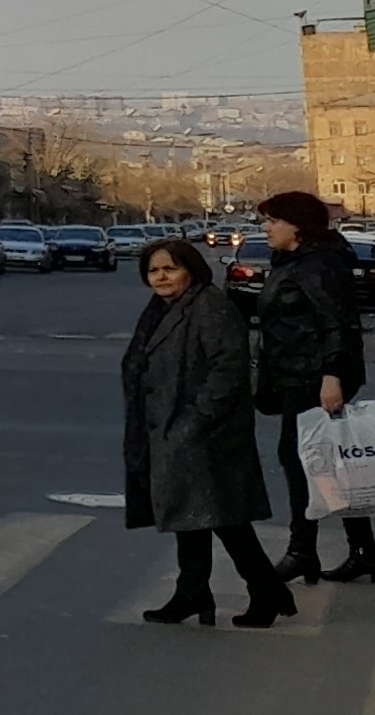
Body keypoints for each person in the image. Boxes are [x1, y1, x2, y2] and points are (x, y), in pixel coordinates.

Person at [124, 237, 293, 627]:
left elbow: (228, 368)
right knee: (197, 515)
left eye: (170, 268)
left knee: (222, 518)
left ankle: (259, 591)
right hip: (178, 427)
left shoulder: (209, 306)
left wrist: (195, 420)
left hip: (208, 431)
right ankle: (196, 591)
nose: (161, 277)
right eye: (153, 271)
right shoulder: (166, 309)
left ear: (190, 269)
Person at [255, 189, 375, 586]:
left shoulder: (318, 266)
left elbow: (338, 324)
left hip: (313, 375)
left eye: (273, 221)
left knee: (300, 459)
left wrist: (333, 376)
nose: (266, 228)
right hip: (295, 371)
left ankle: (302, 551)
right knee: (330, 461)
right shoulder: (292, 261)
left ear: (297, 226)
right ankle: (364, 552)